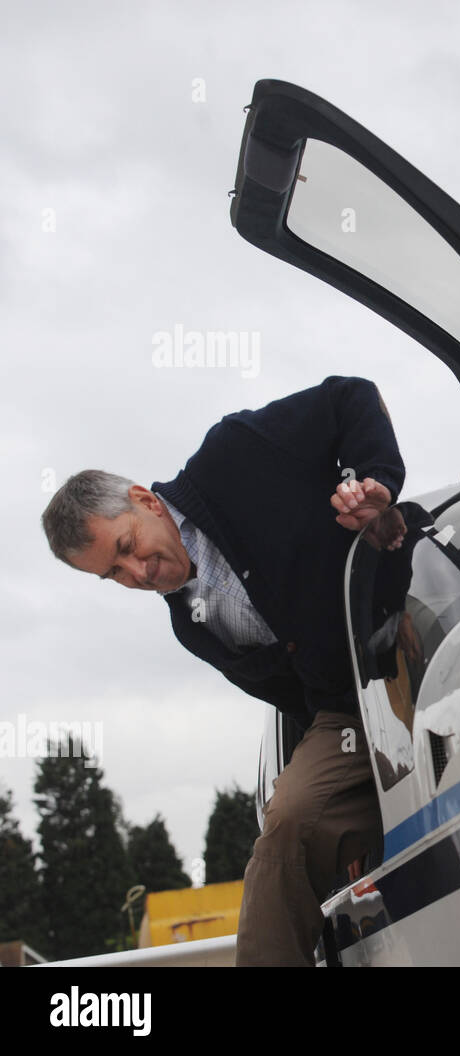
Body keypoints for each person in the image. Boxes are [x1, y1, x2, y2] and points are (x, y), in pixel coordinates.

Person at [39, 375, 406, 965]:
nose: (135, 572)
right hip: (348, 713)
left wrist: (374, 481)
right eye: (113, 574)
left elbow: (349, 395)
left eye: (128, 545)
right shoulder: (192, 625)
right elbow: (297, 702)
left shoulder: (235, 453)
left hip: (413, 629)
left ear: (146, 500)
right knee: (287, 821)